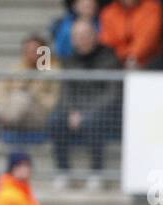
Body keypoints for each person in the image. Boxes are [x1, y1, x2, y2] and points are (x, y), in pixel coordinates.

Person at [49, 20, 122, 185]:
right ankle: (63, 171)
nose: (81, 39)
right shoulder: (69, 61)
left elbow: (112, 94)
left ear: (95, 36)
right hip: (76, 111)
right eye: (77, 36)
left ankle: (96, 173)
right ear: (73, 39)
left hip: (103, 111)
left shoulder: (109, 58)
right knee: (56, 120)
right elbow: (66, 92)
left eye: (85, 35)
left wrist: (85, 113)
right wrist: (71, 111)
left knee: (93, 122)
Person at [99, 0, 163, 68]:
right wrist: (125, 57)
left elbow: (148, 38)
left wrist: (133, 57)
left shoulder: (153, 7)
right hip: (117, 61)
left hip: (148, 60)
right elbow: (108, 42)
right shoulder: (108, 12)